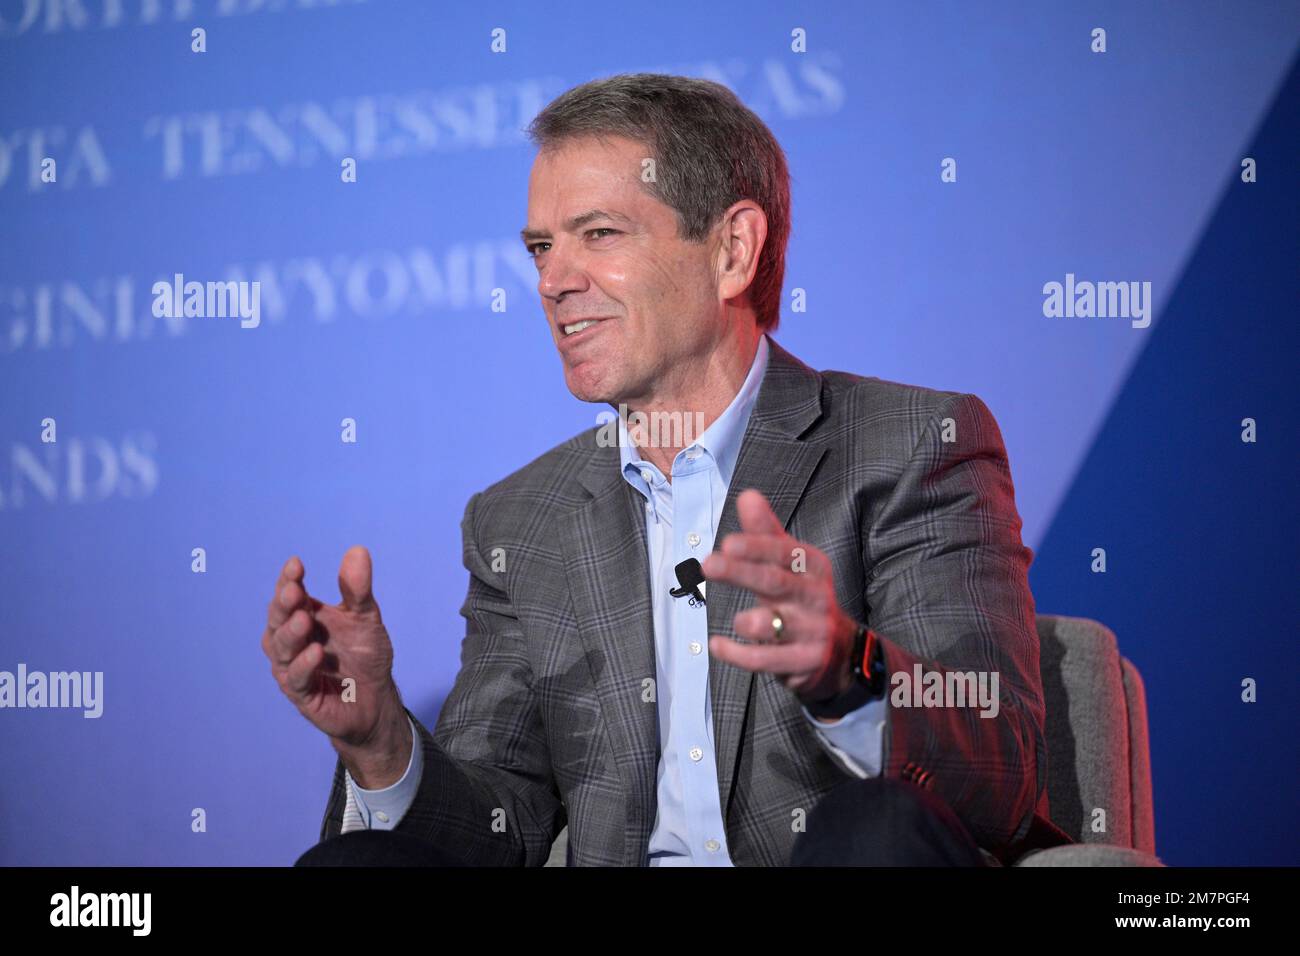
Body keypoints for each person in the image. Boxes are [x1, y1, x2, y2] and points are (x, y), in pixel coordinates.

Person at [265, 73, 1065, 867]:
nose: (550, 281)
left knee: (877, 831)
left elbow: (1000, 774)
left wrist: (846, 670)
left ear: (732, 251)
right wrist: (380, 747)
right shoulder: (520, 521)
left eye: (600, 235)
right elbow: (496, 837)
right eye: (541, 247)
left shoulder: (911, 445)